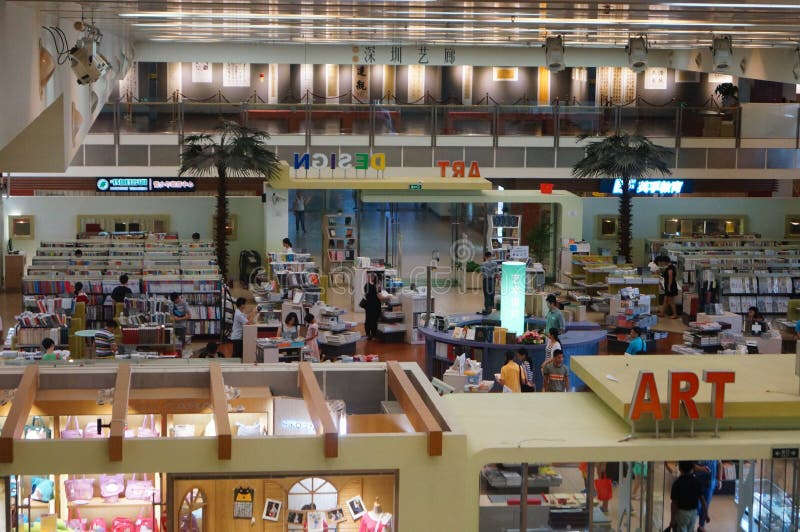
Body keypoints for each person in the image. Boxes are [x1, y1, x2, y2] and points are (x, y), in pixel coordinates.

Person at [670, 460, 708, 532]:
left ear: (680, 469)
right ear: (692, 468)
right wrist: (706, 514)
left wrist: (672, 519)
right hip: (693, 513)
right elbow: (703, 500)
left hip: (681, 513)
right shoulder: (697, 482)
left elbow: (674, 503)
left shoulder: (677, 483)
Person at [694, 460, 721, 530]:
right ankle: (690, 525)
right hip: (697, 480)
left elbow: (720, 464)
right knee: (697, 505)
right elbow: (690, 465)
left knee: (706, 502)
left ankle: (701, 526)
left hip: (711, 482)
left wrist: (719, 479)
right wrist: (701, 469)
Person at [363, 273, 382, 340]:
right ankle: (374, 334)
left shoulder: (366, 286)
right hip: (375, 306)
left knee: (368, 319)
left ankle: (368, 334)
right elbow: (379, 297)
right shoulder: (377, 287)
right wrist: (388, 296)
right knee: (374, 320)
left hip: (368, 306)